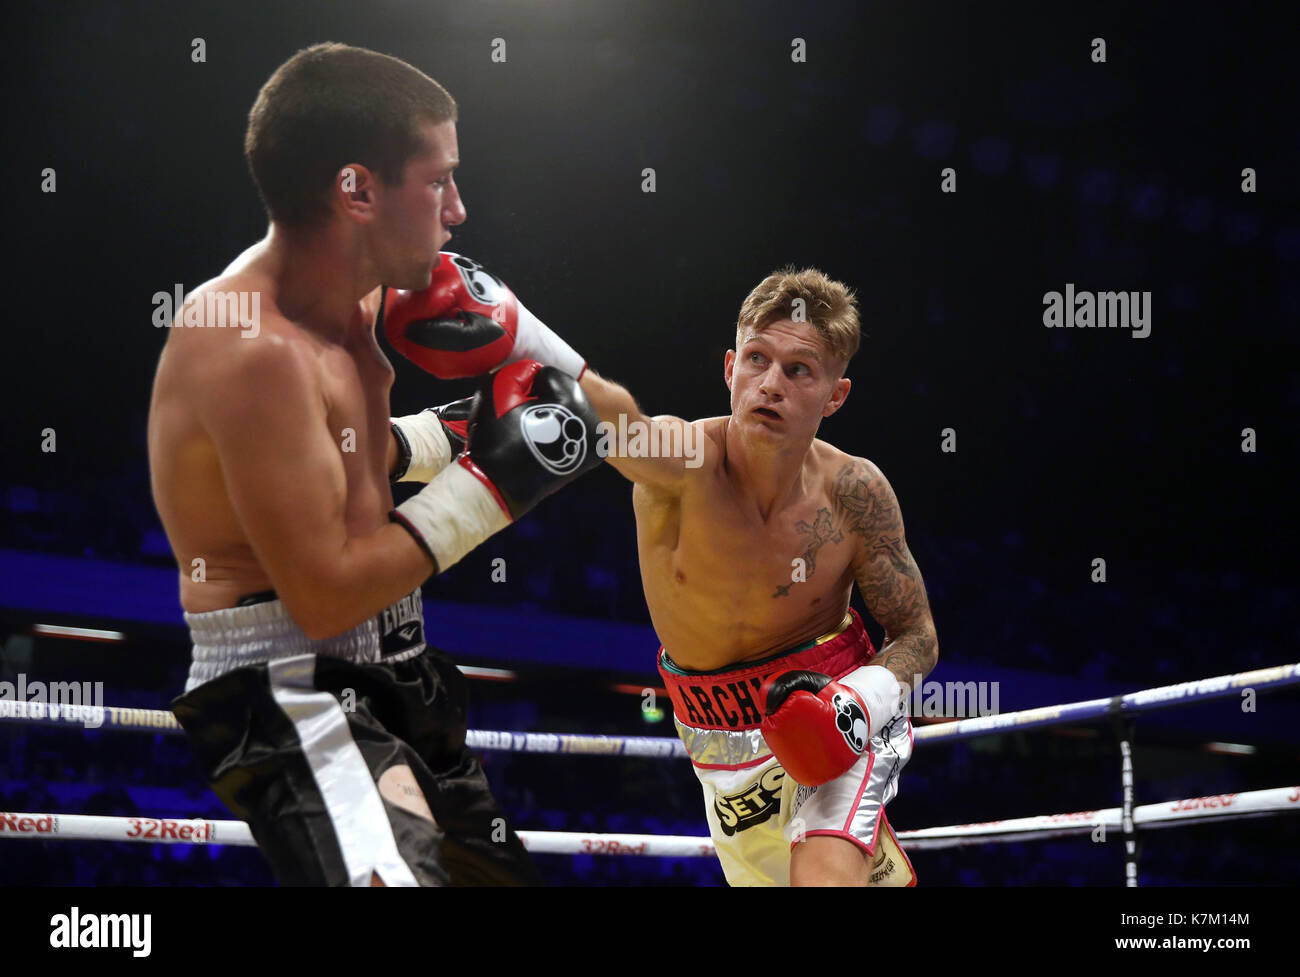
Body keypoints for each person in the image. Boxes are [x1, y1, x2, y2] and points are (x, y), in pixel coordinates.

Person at [146, 43, 598, 887]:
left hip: (401, 666)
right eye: (438, 181)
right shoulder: (250, 346)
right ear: (356, 190)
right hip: (287, 683)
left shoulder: (368, 297)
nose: (459, 210)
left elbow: (591, 405)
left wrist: (455, 430)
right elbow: (320, 595)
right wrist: (490, 486)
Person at [395, 257, 939, 886]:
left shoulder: (856, 493)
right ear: (730, 368)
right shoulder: (683, 461)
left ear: (834, 395)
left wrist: (855, 705)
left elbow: (917, 634)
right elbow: (597, 414)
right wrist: (516, 336)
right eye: (757, 360)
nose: (771, 384)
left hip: (838, 712)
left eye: (799, 371)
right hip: (719, 745)